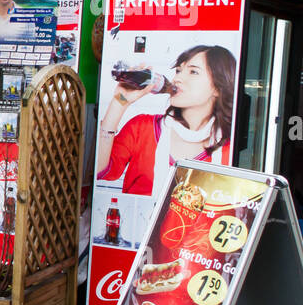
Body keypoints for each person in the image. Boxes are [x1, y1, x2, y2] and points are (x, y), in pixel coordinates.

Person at [96, 44, 237, 198]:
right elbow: (99, 171)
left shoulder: (229, 150)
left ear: (217, 88)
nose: (177, 78)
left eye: (193, 71)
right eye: (178, 70)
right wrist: (119, 102)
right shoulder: (143, 128)